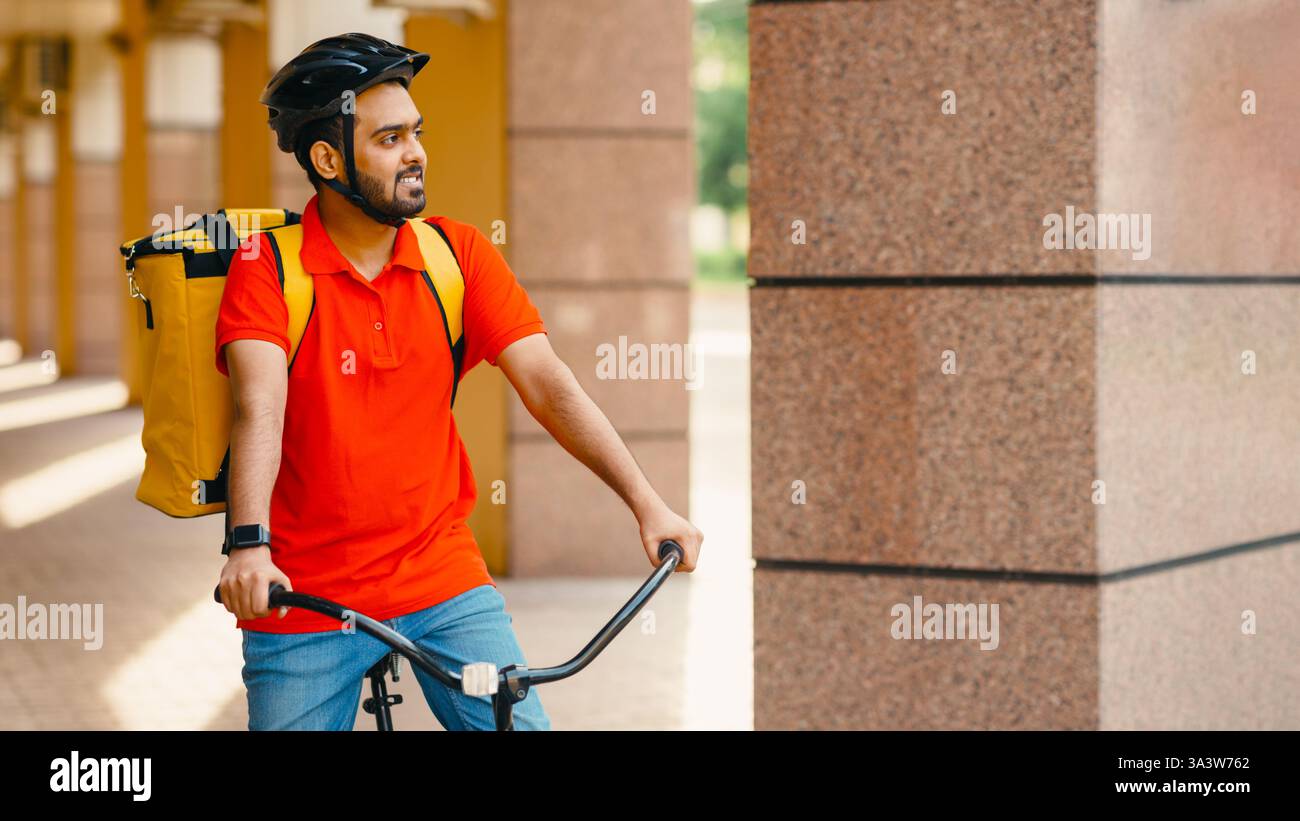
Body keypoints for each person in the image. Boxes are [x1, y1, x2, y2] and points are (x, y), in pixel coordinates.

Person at [213, 33, 703, 730]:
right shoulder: (268, 266)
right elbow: (258, 407)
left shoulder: (457, 255)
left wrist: (648, 503)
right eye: (389, 138)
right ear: (327, 159)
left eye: (416, 132)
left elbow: (547, 383)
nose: (415, 152)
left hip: (438, 571)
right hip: (306, 592)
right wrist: (249, 545)